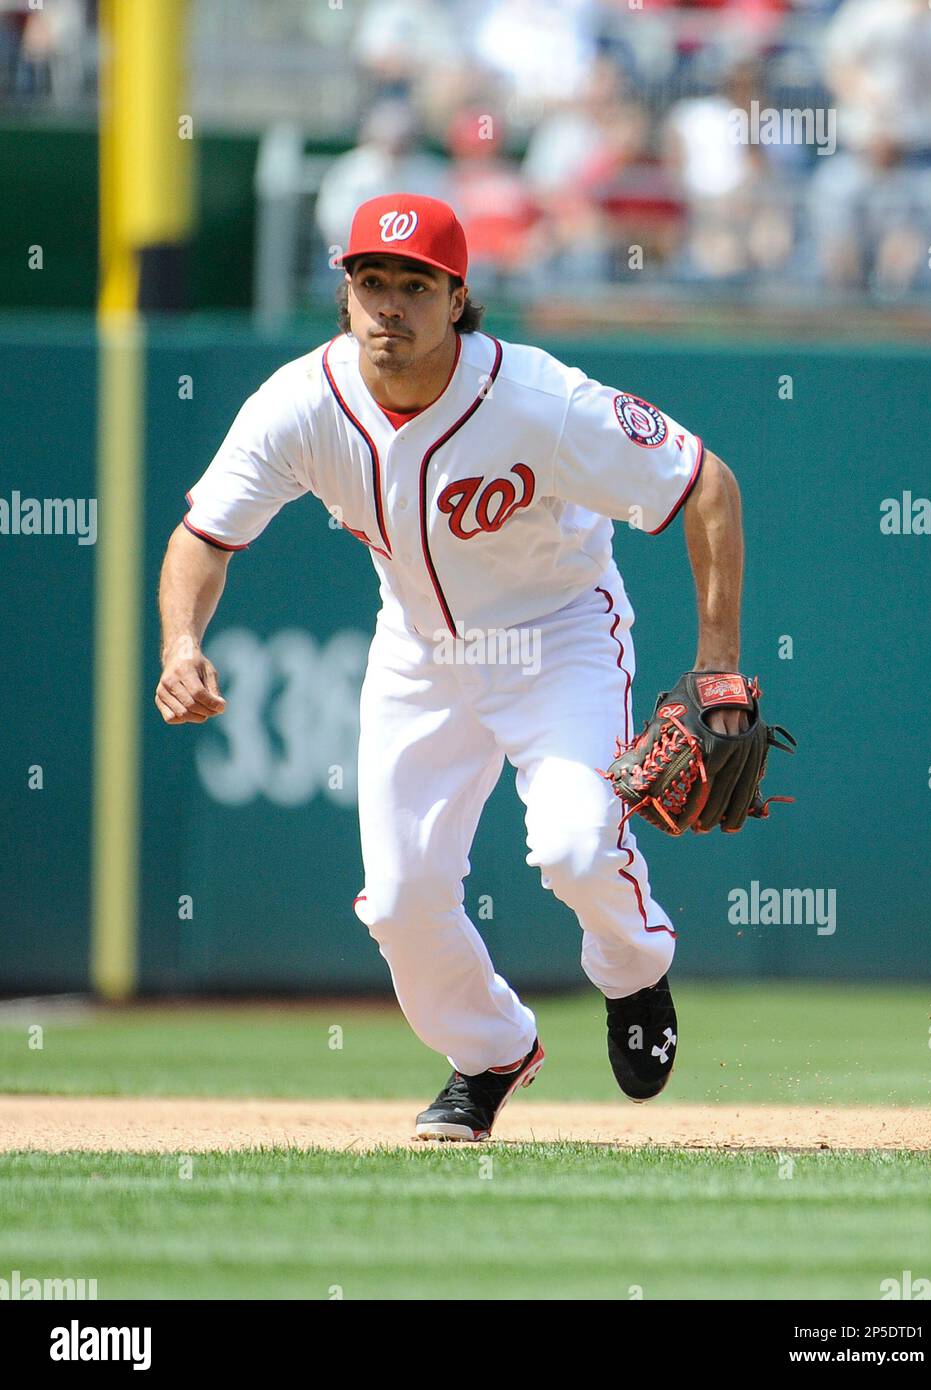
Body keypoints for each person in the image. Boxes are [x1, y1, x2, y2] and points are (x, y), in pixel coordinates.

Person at [157, 193, 747, 1142]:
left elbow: (704, 483)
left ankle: (634, 970)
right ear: (345, 292)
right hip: (419, 653)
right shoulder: (300, 404)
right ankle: (489, 1055)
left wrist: (717, 667)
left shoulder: (538, 399)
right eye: (370, 281)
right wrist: (181, 643)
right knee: (399, 901)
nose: (389, 305)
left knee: (576, 850)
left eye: (414, 285)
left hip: (557, 638)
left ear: (457, 296)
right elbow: (204, 537)